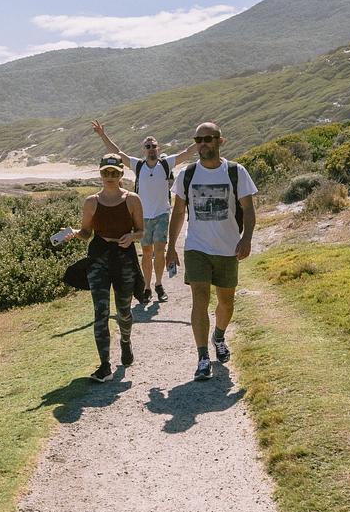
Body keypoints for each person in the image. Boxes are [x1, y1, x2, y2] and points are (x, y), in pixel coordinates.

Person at [165, 122, 257, 381]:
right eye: (198, 140)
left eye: (208, 138)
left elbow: (248, 209)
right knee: (200, 298)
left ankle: (219, 336)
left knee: (226, 302)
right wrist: (171, 247)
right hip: (197, 248)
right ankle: (203, 357)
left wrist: (246, 239)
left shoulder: (236, 172)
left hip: (228, 248)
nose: (202, 143)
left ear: (220, 141)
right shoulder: (187, 174)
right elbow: (178, 212)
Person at [59, 154, 146, 382]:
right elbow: (86, 233)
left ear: (121, 174)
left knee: (124, 311)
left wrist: (132, 237)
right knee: (101, 312)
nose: (110, 176)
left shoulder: (132, 199)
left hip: (124, 258)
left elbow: (141, 231)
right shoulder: (91, 202)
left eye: (114, 172)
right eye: (106, 172)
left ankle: (125, 341)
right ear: (100, 174)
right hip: (98, 257)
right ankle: (105, 366)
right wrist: (74, 234)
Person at [91, 120, 197, 304]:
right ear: (144, 150)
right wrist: (102, 135)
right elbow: (118, 153)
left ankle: (159, 285)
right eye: (148, 146)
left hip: (162, 214)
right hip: (143, 217)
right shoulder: (138, 166)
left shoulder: (166, 164)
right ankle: (147, 287)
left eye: (153, 146)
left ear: (158, 148)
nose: (151, 149)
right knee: (147, 252)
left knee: (160, 250)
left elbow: (187, 153)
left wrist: (204, 139)